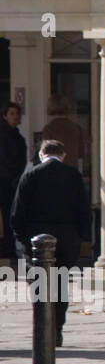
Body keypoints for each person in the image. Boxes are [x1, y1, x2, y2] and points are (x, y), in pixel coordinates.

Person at [10, 139, 91, 346]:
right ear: (63, 155)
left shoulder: (30, 175)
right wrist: (81, 237)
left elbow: (17, 214)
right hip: (66, 238)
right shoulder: (73, 175)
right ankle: (57, 329)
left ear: (41, 154)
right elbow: (83, 209)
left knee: (39, 285)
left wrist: (23, 241)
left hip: (36, 239)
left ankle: (42, 329)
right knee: (61, 283)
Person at [0, 101, 27, 258]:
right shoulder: (4, 135)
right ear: (4, 116)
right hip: (4, 181)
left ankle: (9, 249)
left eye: (17, 114)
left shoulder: (17, 136)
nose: (15, 117)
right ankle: (6, 249)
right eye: (11, 113)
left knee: (10, 215)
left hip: (12, 182)